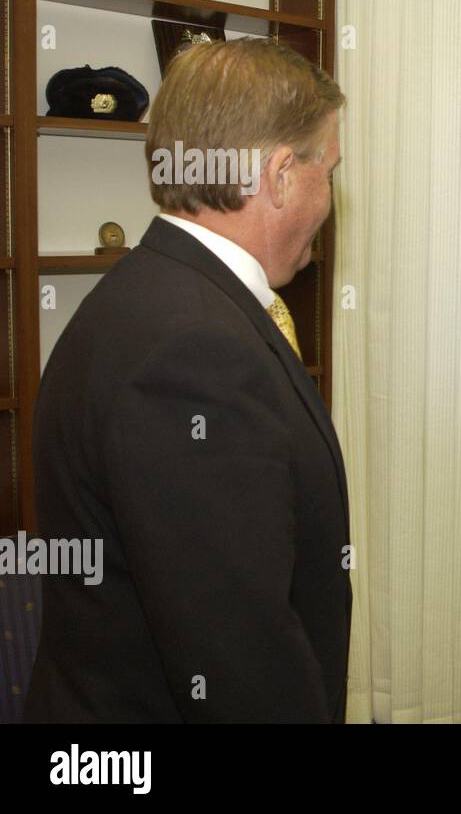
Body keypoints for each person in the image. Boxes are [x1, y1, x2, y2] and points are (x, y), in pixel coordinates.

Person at [25, 39, 351, 722]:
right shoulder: (196, 350)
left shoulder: (148, 293)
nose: (332, 196)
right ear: (283, 175)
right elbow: (240, 658)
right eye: (331, 168)